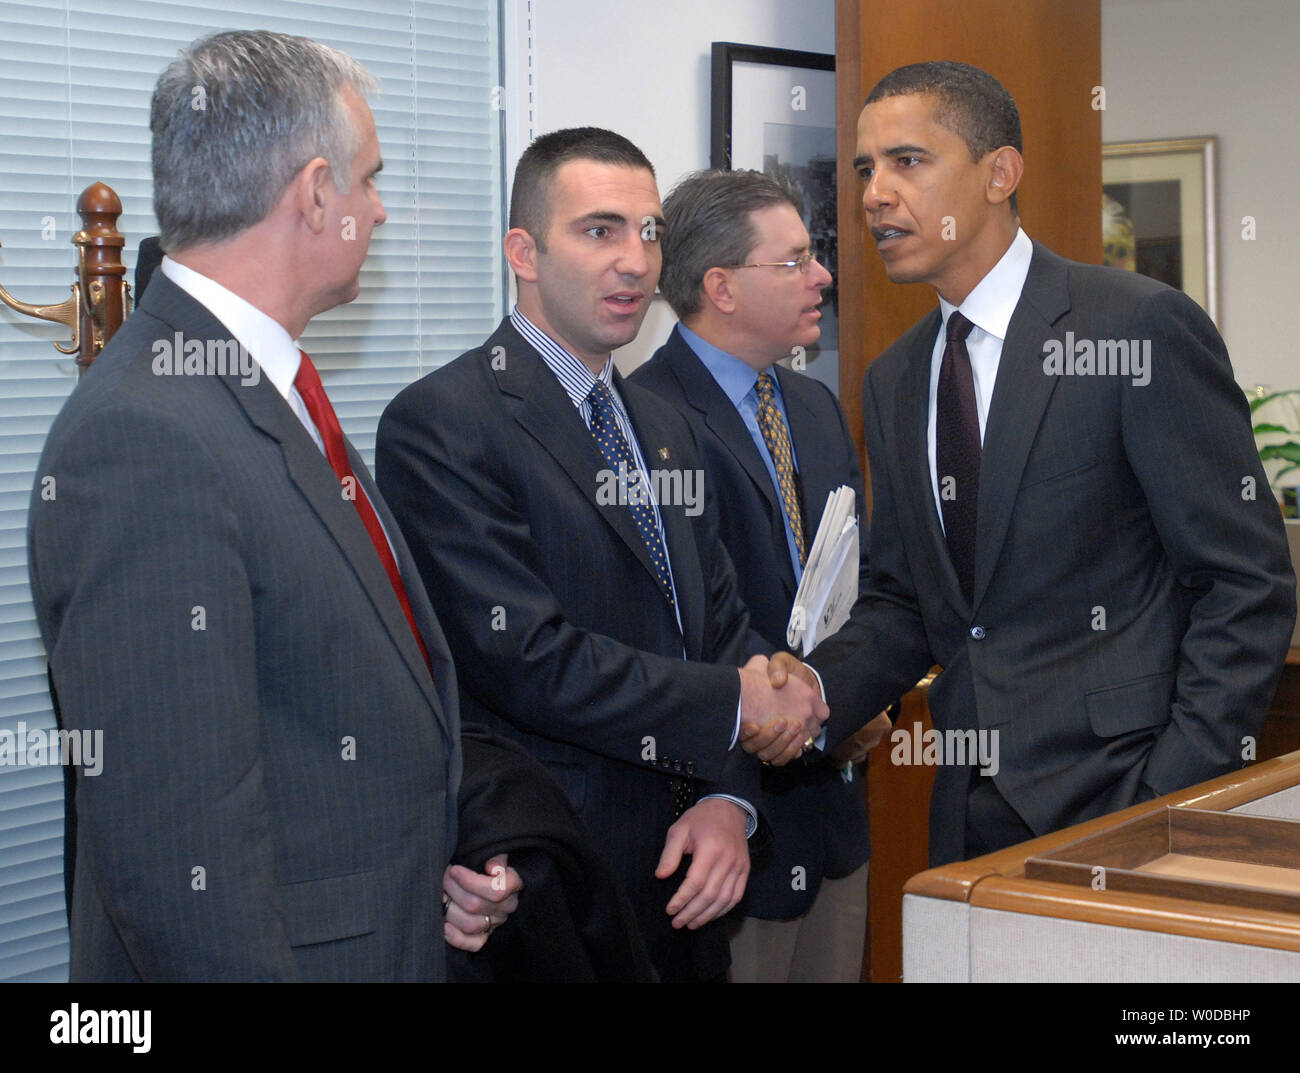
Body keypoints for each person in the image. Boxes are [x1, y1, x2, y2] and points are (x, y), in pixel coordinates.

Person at [27, 29, 519, 981]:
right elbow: (180, 863)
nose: (380, 211)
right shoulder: (145, 436)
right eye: (370, 181)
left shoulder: (261, 389)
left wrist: (427, 871)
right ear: (314, 193)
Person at [781, 61, 1296, 866]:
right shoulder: (894, 378)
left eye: (907, 162)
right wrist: (811, 692)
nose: (876, 192)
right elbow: (907, 601)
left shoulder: (1137, 325)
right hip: (967, 808)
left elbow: (1245, 582)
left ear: (1000, 173)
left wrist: (1173, 795)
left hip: (1130, 796)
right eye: (864, 169)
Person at [375, 127, 828, 982]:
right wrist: (739, 702)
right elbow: (527, 659)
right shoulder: (442, 423)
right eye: (599, 230)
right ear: (525, 251)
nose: (636, 261)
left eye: (649, 232)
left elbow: (720, 627)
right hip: (548, 891)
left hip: (691, 891)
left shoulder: (666, 428)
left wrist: (731, 799)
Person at [631, 168, 887, 982]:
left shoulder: (811, 404)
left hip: (837, 800)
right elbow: (673, 625)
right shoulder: (643, 419)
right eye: (797, 260)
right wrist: (781, 712)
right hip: (729, 818)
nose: (823, 277)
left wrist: (842, 691)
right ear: (721, 287)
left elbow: (850, 573)